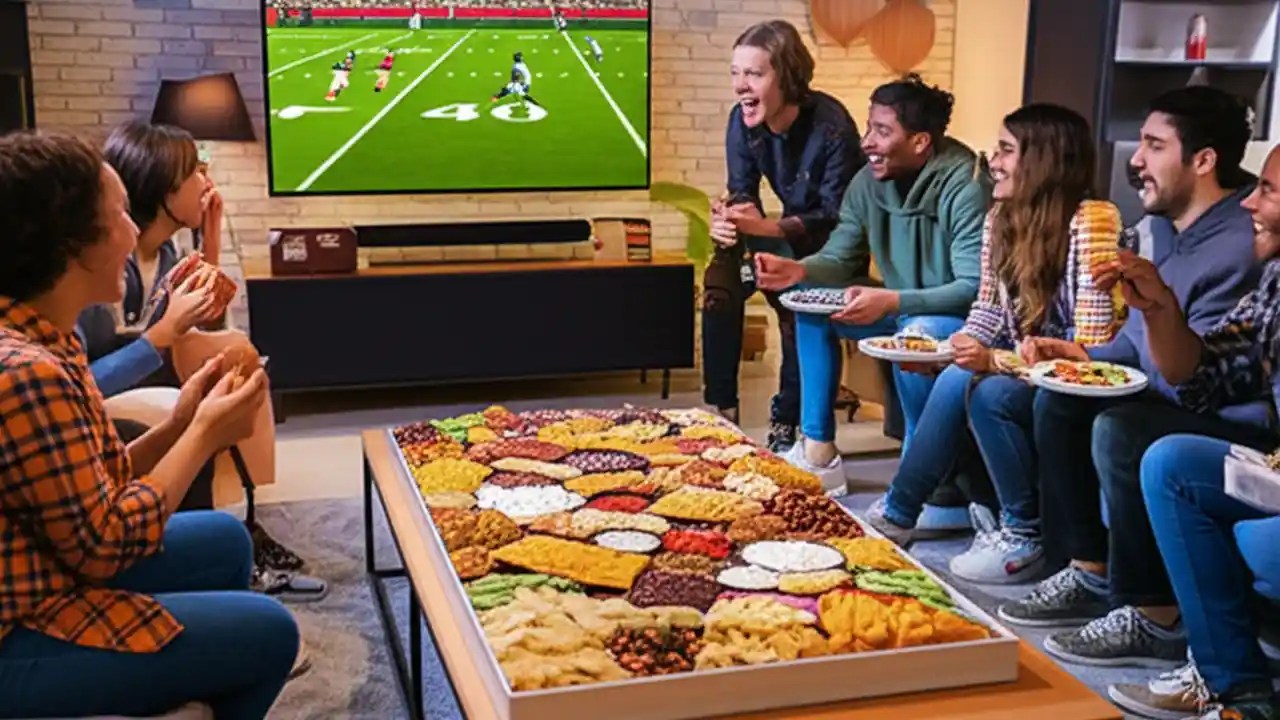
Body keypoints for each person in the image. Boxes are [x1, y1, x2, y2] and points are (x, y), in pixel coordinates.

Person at [0, 131, 297, 719]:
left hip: (48, 567)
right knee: (269, 632)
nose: (134, 231)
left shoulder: (45, 336)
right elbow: (103, 544)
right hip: (22, 627)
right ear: (72, 245)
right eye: (117, 217)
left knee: (225, 539)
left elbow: (95, 480)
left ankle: (184, 679)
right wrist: (204, 435)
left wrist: (181, 421)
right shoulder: (26, 372)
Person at [997, 86, 1267, 668]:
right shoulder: (1173, 230)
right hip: (1181, 390)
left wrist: (1129, 357)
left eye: (1152, 145)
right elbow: (1136, 345)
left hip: (1228, 418)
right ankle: (1089, 572)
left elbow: (1203, 375)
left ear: (1203, 160)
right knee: (1057, 399)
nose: (1134, 160)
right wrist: (1074, 354)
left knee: (1120, 426)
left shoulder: (1244, 245)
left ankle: (1155, 615)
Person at [861, 104, 1124, 583]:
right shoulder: (1000, 217)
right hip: (1025, 364)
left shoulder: (1093, 220)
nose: (992, 162)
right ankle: (922, 514)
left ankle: (990, 528)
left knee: (982, 386)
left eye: (1005, 151)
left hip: (1079, 376)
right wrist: (952, 347)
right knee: (947, 356)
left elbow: (1092, 345)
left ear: (1043, 159)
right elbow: (987, 309)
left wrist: (991, 359)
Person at [81, 121, 318, 588]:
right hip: (105, 396)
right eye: (195, 172)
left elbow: (203, 331)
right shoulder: (104, 268)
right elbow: (81, 379)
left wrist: (209, 246)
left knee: (232, 366)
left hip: (151, 379)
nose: (207, 183)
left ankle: (235, 528)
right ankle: (201, 552)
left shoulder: (168, 255)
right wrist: (161, 336)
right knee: (195, 410)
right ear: (162, 186)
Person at [1106, 144, 1280, 720]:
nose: (1251, 199)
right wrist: (1159, 308)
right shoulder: (1275, 282)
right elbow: (1203, 375)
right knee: (1171, 460)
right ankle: (1237, 687)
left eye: (1270, 191)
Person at [755, 73, 990, 494]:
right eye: (869, 128)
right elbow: (841, 255)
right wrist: (800, 270)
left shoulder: (964, 185)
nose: (866, 142)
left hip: (954, 321)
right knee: (807, 304)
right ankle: (818, 452)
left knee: (918, 332)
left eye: (882, 131)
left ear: (920, 142)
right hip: (899, 309)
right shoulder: (868, 182)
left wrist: (891, 301)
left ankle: (922, 479)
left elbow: (971, 287)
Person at [701, 19, 863, 453]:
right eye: (735, 72)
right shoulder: (743, 120)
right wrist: (728, 221)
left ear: (786, 76)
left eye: (753, 74)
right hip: (777, 231)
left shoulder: (832, 126)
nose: (740, 85)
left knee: (795, 309)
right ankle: (722, 415)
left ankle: (786, 421)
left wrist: (763, 227)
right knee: (719, 286)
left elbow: (832, 216)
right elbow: (742, 191)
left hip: (829, 244)